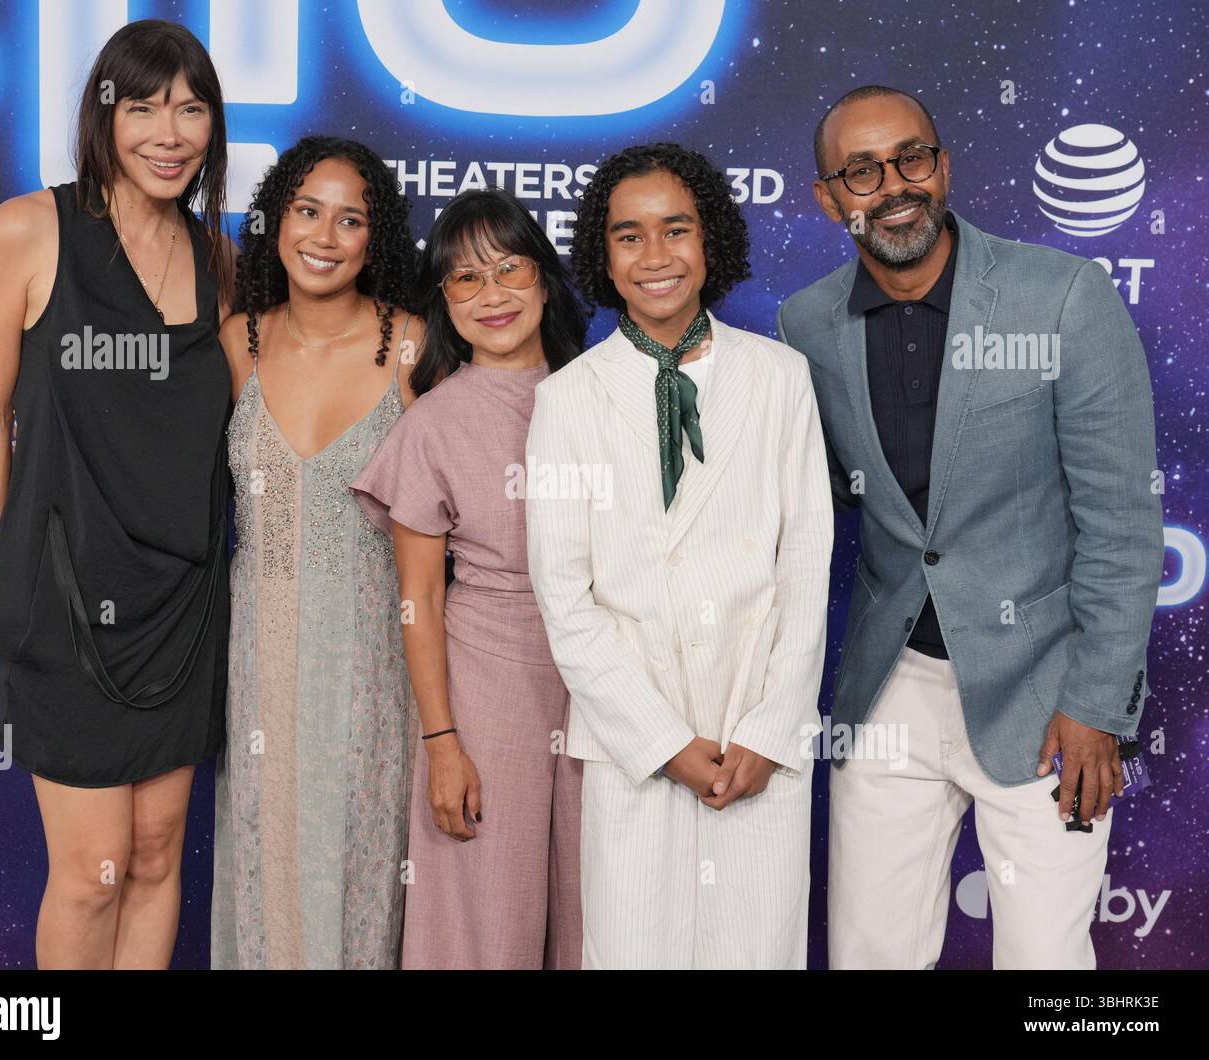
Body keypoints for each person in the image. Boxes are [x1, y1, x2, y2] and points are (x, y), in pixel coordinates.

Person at [778, 85, 1165, 969]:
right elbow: (810, 503)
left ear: (944, 166)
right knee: (870, 954)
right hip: (888, 692)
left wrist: (1096, 706)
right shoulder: (806, 326)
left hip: (1045, 696)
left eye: (912, 157)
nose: (894, 185)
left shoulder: (1063, 295)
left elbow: (1121, 520)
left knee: (1046, 968)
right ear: (829, 199)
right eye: (862, 171)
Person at [0, 19, 234, 969]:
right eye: (147, 105)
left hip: (184, 605)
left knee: (158, 859)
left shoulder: (219, 259)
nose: (171, 130)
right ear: (104, 115)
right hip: (64, 591)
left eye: (192, 108)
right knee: (93, 872)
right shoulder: (29, 228)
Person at [527, 143, 833, 969]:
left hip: (756, 736)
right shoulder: (566, 400)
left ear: (712, 242)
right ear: (603, 254)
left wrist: (771, 728)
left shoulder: (780, 378)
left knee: (755, 949)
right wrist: (662, 741)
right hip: (636, 743)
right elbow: (564, 594)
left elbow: (807, 562)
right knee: (630, 948)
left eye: (676, 230)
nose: (655, 257)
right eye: (629, 236)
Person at [351, 187, 588, 969]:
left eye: (509, 269)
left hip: (607, 691)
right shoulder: (433, 422)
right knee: (487, 917)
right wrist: (444, 745)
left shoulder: (600, 396)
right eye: (464, 279)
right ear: (443, 300)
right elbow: (417, 599)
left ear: (544, 280)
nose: (491, 296)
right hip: (490, 692)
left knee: (598, 913)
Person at [210, 136, 421, 969]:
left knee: (368, 879)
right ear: (275, 221)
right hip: (258, 671)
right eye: (307, 210)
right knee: (268, 881)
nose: (325, 236)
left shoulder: (414, 348)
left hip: (378, 672)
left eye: (350, 219)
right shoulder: (237, 346)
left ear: (377, 239)